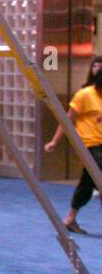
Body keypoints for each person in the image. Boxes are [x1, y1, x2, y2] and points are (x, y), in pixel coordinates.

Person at [45, 64, 102, 235]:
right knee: (99, 176)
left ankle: (70, 219)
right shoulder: (84, 95)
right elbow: (66, 120)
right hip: (89, 145)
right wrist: (54, 141)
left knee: (88, 182)